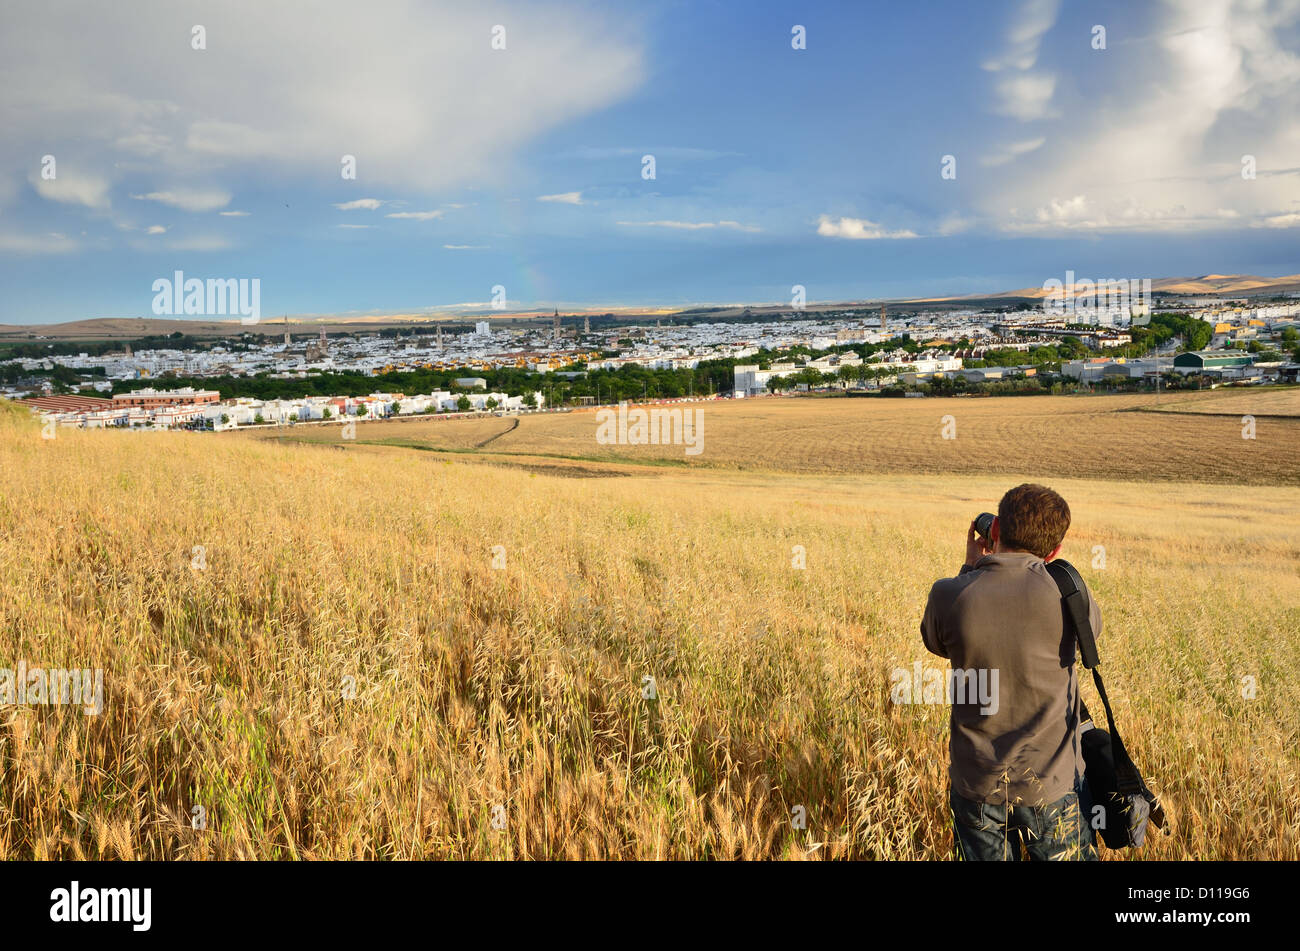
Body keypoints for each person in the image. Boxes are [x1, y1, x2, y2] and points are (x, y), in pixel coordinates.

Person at [920, 483, 1100, 861]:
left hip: (978, 784)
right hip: (1053, 784)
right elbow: (1090, 636)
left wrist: (970, 566)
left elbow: (937, 642)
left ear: (995, 531)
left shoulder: (949, 594)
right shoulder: (1068, 593)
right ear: (1055, 551)